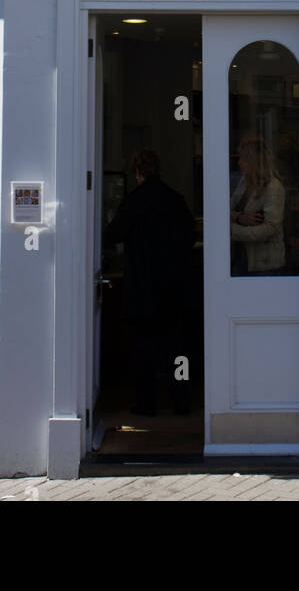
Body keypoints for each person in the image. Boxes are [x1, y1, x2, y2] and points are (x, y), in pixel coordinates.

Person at [106, 149, 195, 416]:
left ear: (137, 172)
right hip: (173, 286)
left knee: (143, 349)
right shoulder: (175, 199)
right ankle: (181, 402)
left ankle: (146, 403)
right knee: (176, 348)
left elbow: (113, 234)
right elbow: (189, 236)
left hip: (142, 287)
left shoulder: (133, 201)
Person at [230, 137, 285, 275]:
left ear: (253, 161)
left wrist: (232, 230)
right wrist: (239, 218)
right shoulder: (244, 181)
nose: (239, 163)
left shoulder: (273, 187)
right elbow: (228, 211)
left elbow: (271, 227)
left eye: (243, 159)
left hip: (263, 264)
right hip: (240, 256)